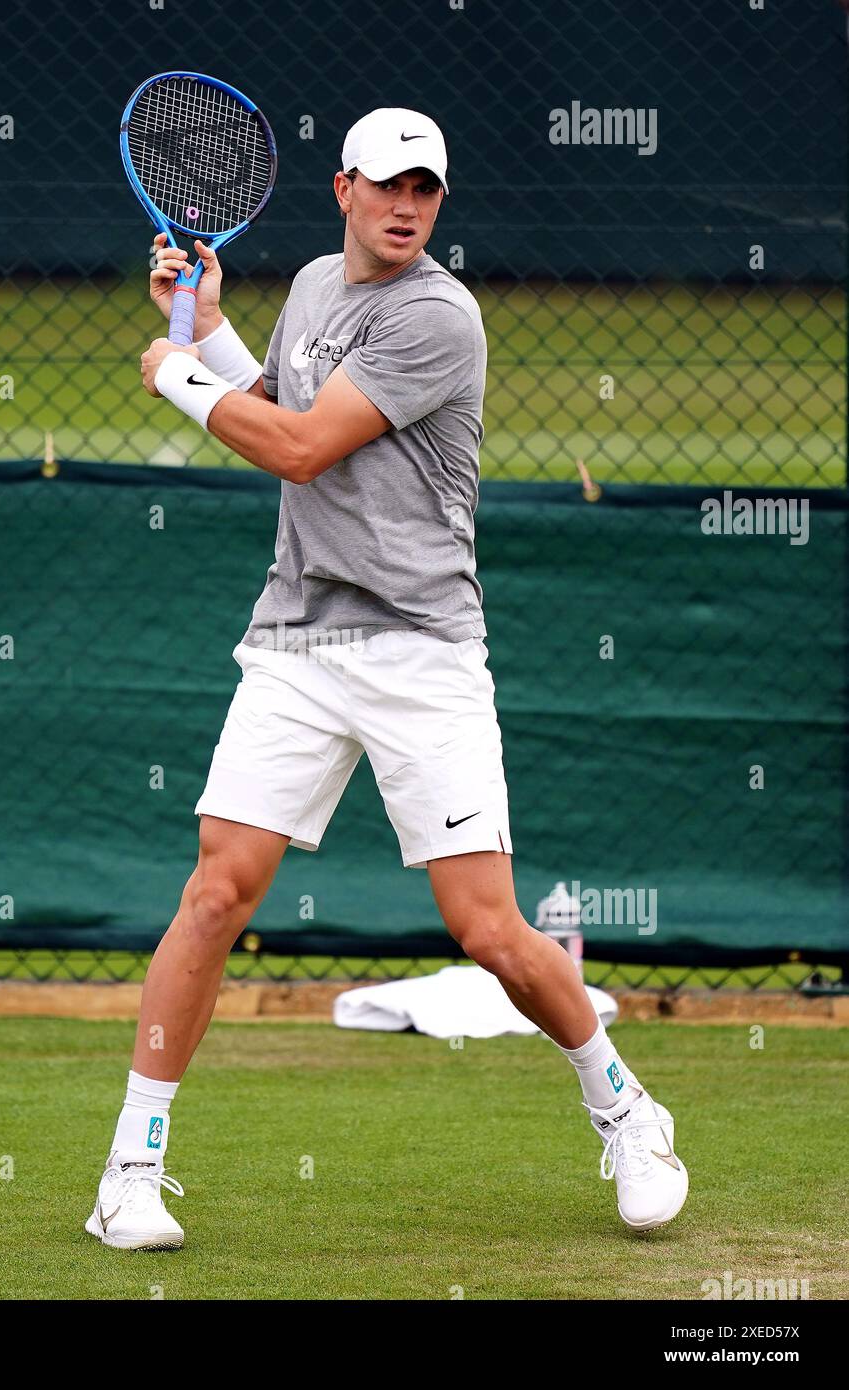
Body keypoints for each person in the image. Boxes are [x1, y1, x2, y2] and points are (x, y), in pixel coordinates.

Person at [85, 108, 688, 1252]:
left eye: (429, 190)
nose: (409, 207)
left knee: (489, 930)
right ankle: (130, 1169)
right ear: (343, 186)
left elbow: (302, 448)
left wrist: (169, 375)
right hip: (298, 639)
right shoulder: (314, 284)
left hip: (421, 649)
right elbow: (279, 396)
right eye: (390, 185)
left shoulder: (437, 316)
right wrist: (212, 336)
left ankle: (626, 1111)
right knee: (216, 891)